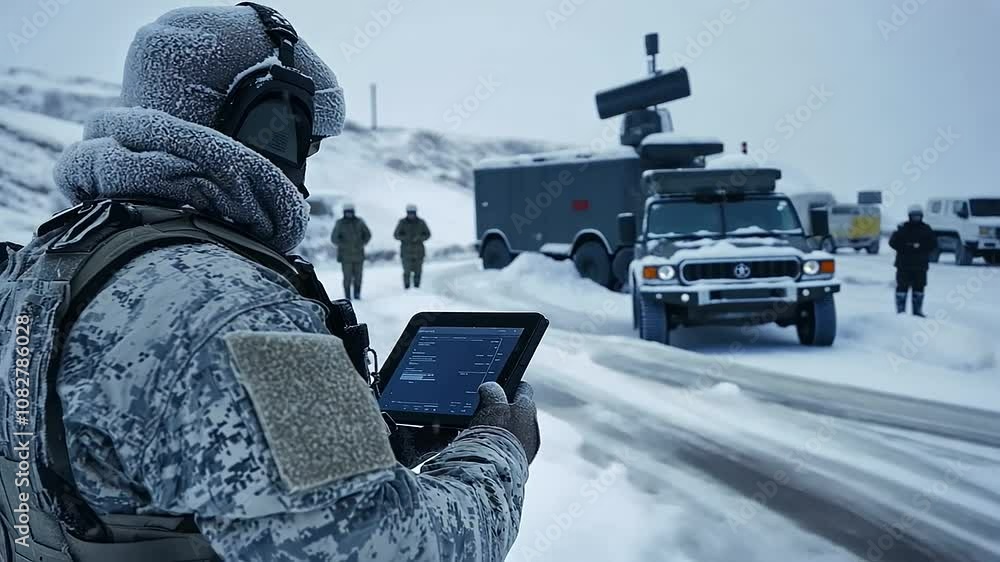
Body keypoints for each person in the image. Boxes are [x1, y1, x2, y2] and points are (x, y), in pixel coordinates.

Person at [0, 5, 539, 562]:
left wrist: (367, 447)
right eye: (304, 141)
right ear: (268, 121)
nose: (305, 162)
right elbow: (381, 548)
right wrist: (497, 453)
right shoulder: (240, 310)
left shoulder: (43, 265)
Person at [889, 204, 938, 317]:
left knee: (919, 288)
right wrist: (907, 247)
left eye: (918, 216)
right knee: (902, 288)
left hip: (920, 266)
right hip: (903, 265)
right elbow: (893, 242)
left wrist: (920, 247)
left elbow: (933, 244)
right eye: (914, 216)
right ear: (909, 216)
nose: (916, 218)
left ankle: (917, 311)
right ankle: (901, 312)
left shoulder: (926, 229)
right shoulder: (903, 228)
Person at [331, 203, 371, 299]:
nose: (349, 214)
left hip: (359, 255)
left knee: (358, 277)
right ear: (344, 212)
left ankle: (357, 294)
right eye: (347, 212)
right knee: (347, 278)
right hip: (345, 257)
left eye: (350, 212)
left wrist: (362, 243)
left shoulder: (359, 222)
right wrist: (344, 244)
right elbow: (334, 238)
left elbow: (368, 235)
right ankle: (347, 296)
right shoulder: (340, 223)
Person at [394, 204, 431, 289]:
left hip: (419, 252)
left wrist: (419, 238)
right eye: (409, 213)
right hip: (406, 252)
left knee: (418, 272)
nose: (411, 215)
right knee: (407, 272)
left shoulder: (421, 222)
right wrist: (405, 238)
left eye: (412, 213)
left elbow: (428, 234)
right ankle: (407, 288)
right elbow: (396, 235)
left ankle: (417, 289)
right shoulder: (402, 222)